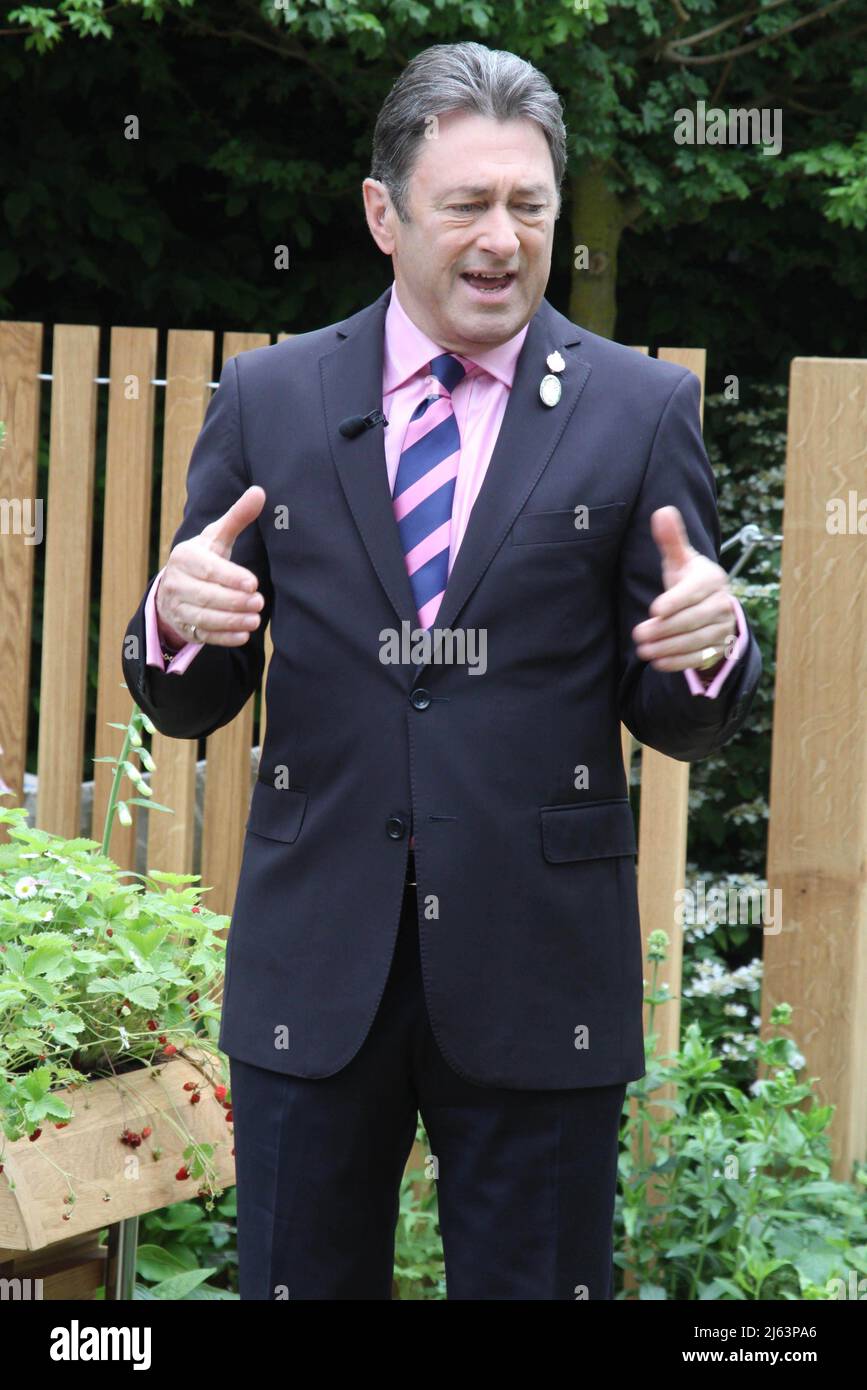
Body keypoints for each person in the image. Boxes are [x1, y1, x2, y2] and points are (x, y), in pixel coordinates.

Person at [122, 41, 761, 1300]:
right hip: (318, 967)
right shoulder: (271, 397)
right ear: (384, 213)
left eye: (529, 206)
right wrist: (175, 614)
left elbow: (679, 715)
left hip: (540, 971)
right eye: (467, 203)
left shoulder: (637, 409)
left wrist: (712, 647)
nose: (501, 238)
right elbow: (191, 696)